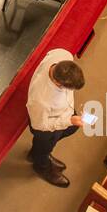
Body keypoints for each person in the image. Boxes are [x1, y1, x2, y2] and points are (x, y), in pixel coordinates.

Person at [25, 49, 86, 187]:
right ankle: (41, 165)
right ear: (58, 83)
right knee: (45, 143)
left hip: (62, 112)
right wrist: (69, 120)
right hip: (47, 123)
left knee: (70, 129)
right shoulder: (41, 100)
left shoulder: (64, 55)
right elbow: (40, 126)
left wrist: (70, 117)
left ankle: (36, 153)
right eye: (69, 89)